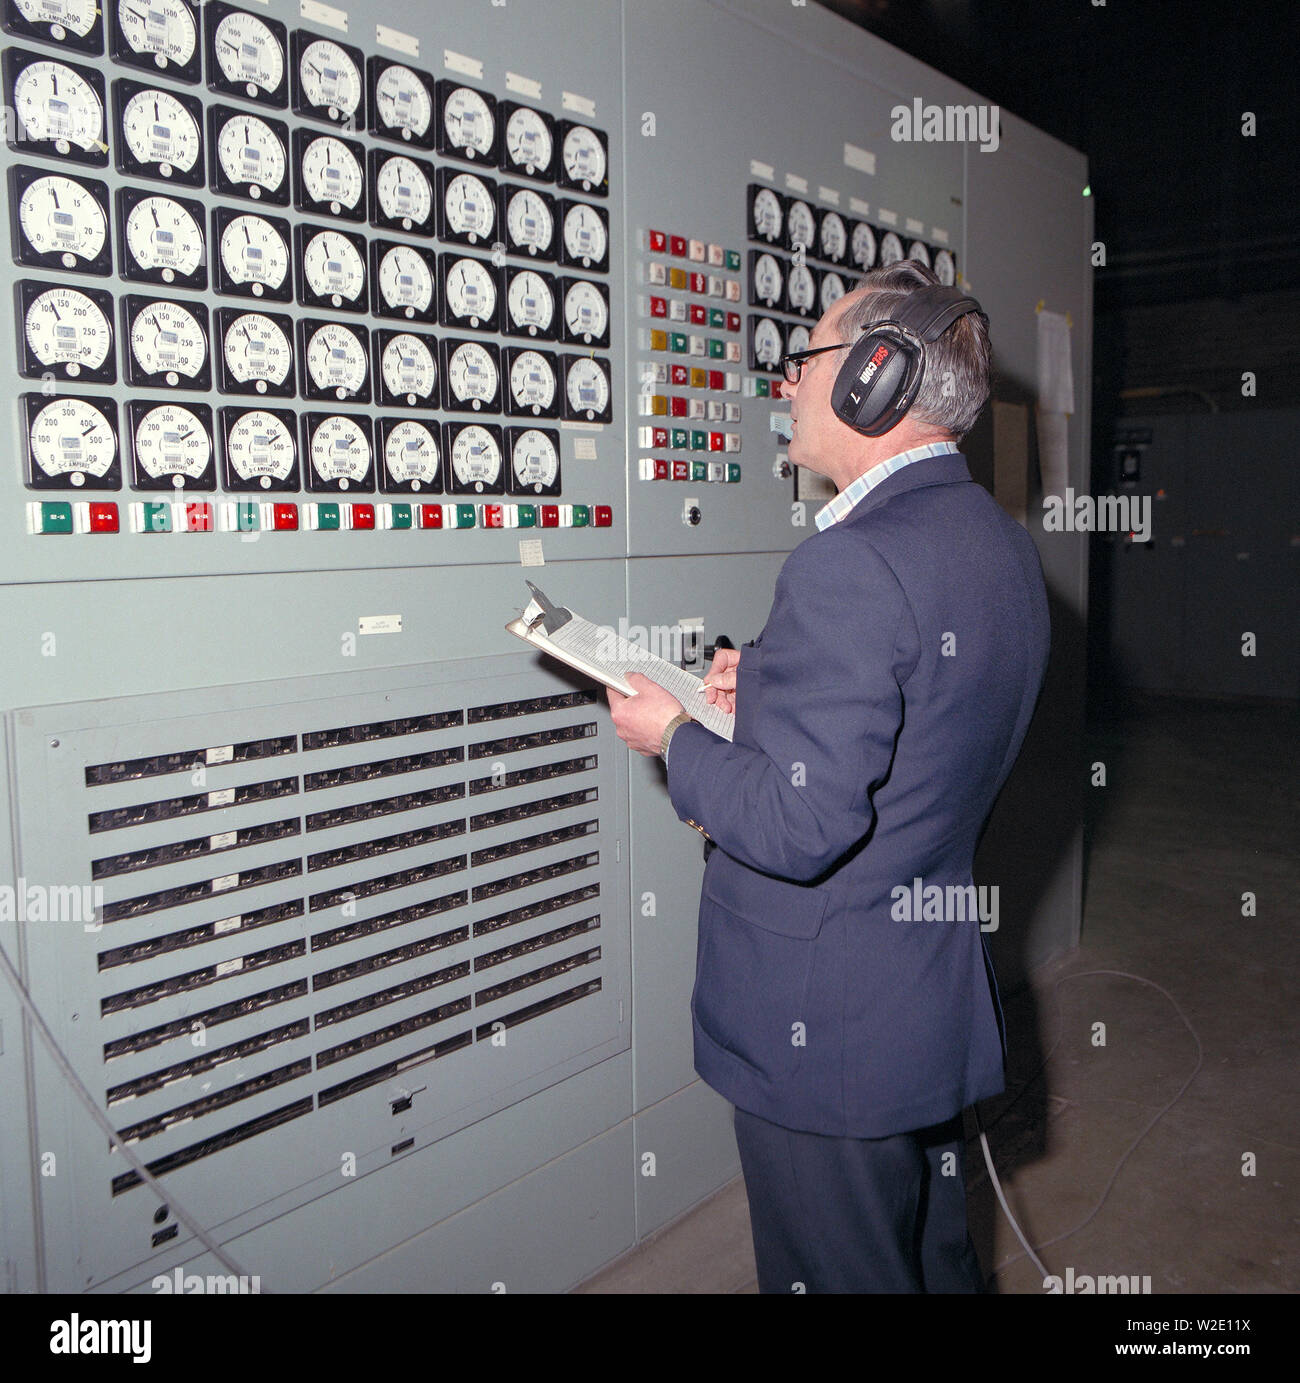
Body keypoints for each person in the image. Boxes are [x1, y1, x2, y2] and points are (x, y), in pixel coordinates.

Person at [606, 258, 1050, 1293]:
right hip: (922, 1004)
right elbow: (926, 717)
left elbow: (799, 827)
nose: (787, 387)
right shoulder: (992, 541)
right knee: (934, 1259)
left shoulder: (848, 562)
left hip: (827, 1029)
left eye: (805, 361)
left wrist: (673, 735)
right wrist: (765, 682)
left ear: (874, 380)